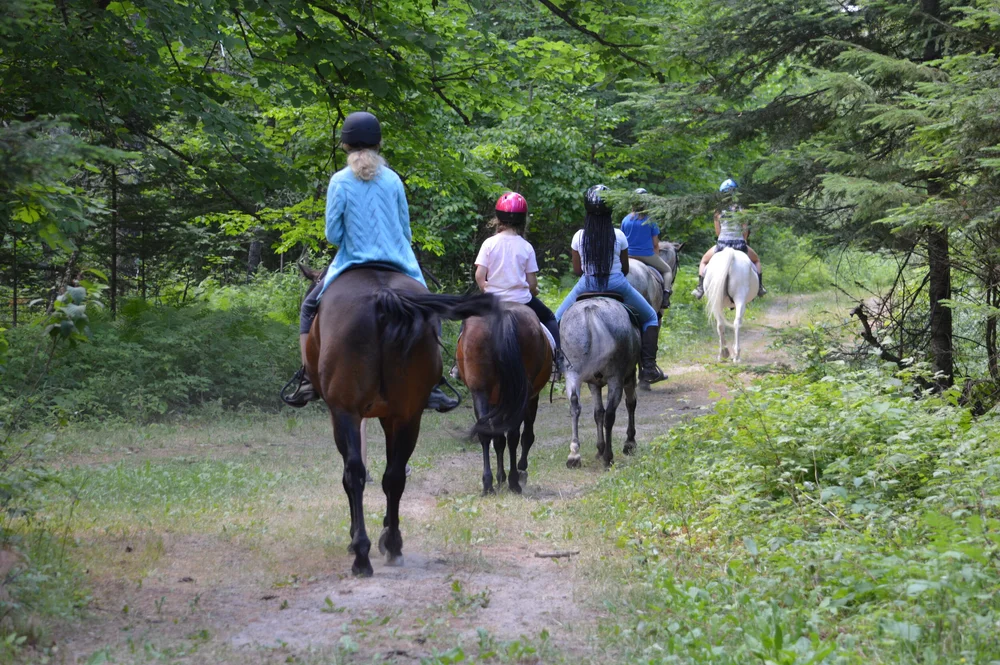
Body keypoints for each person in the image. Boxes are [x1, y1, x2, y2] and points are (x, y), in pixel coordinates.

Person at [281, 111, 458, 411]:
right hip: (399, 262)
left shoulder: (339, 181)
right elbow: (405, 229)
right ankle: (432, 382)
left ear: (346, 145)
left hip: (352, 263)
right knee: (430, 309)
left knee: (309, 307)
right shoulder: (393, 180)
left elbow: (334, 234)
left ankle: (309, 376)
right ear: (378, 144)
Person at [555, 185, 667, 384]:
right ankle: (648, 367)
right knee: (650, 316)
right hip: (616, 284)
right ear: (610, 210)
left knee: (555, 319)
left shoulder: (578, 236)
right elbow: (624, 269)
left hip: (586, 283)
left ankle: (556, 367)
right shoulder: (619, 235)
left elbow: (577, 270)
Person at [473, 192, 562, 378]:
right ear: (523, 220)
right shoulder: (526, 246)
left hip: (493, 300)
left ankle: (458, 365)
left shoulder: (489, 243)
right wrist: (533, 290)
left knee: (469, 321)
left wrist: (486, 289)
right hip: (522, 301)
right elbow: (531, 282)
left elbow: (479, 275)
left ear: (498, 218)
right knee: (550, 317)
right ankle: (557, 361)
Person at [691, 178, 766, 299]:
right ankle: (760, 287)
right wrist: (743, 242)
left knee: (704, 261)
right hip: (739, 245)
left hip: (722, 245)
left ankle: (700, 288)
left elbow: (717, 232)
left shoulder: (718, 211)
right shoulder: (742, 210)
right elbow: (745, 231)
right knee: (756, 260)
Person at [620, 188, 671, 304]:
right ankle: (665, 296)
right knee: (667, 270)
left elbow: (622, 239)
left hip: (628, 255)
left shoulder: (625, 220)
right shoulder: (651, 220)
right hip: (646, 255)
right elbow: (655, 244)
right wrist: (656, 256)